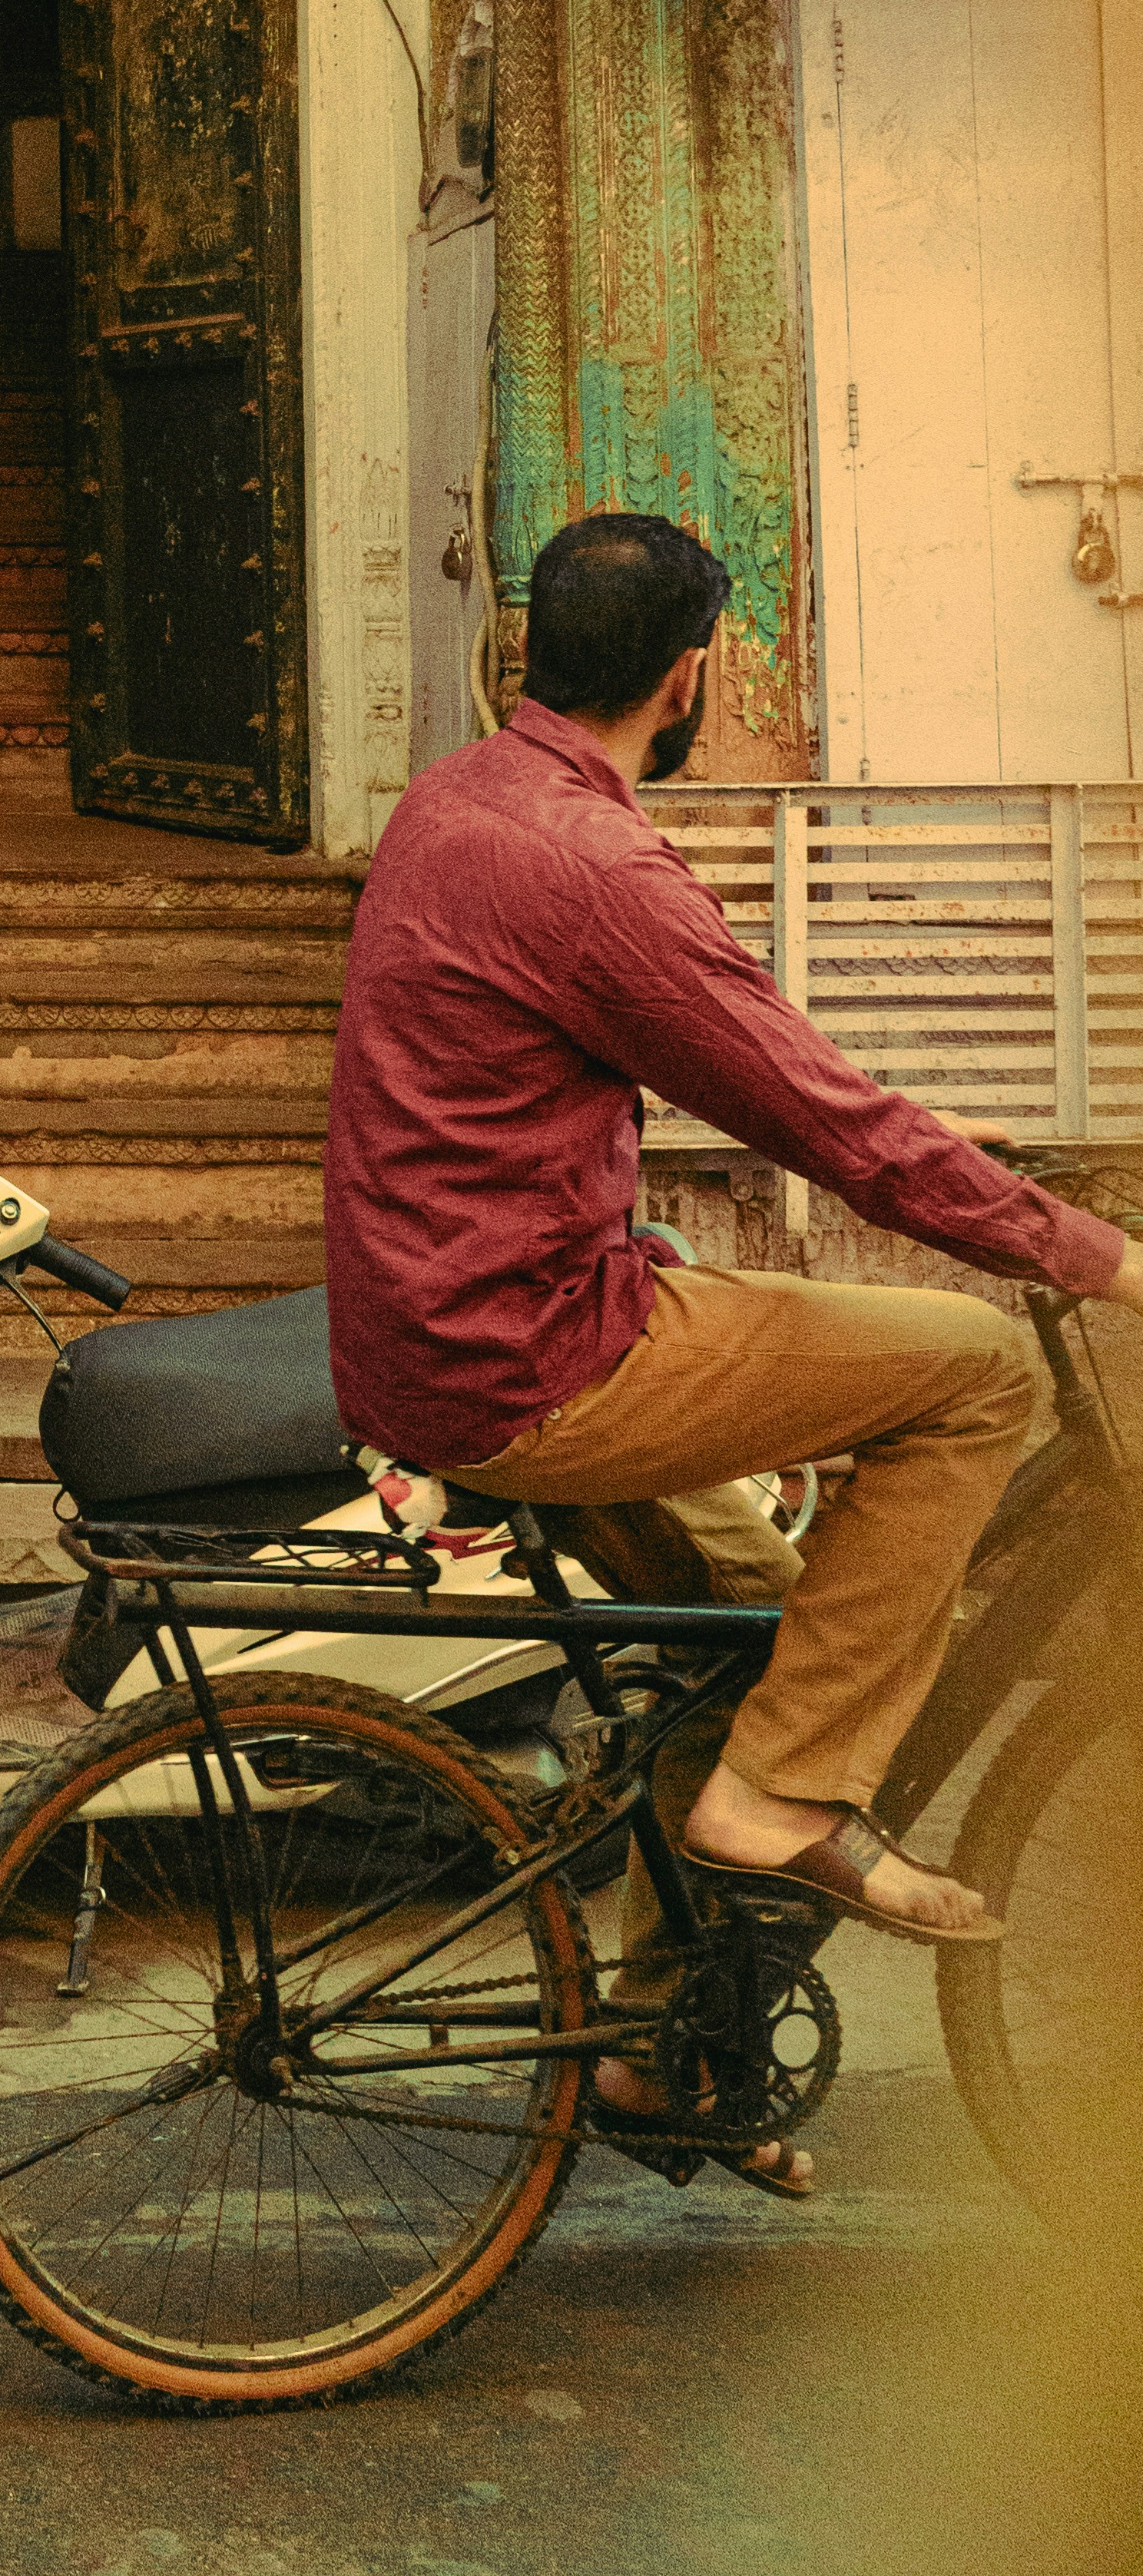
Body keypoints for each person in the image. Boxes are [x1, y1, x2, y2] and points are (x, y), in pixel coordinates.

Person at [328, 508, 1139, 2187]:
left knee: (762, 1646)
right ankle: (778, 1799)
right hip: (542, 1353)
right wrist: (1090, 1254)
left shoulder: (455, 800)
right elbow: (825, 1123)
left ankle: (653, 2054)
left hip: (433, 1336)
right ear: (685, 675)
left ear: (527, 654)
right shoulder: (596, 870)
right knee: (971, 1368)